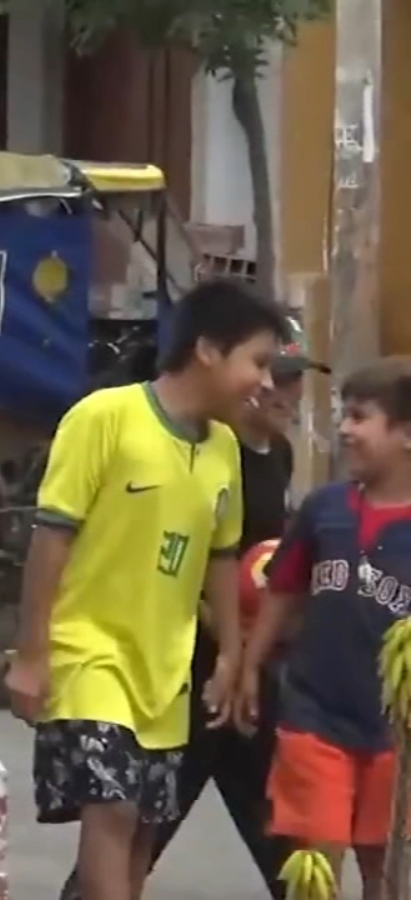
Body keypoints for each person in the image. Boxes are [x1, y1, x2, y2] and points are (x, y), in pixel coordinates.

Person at [5, 277, 289, 900]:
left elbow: (221, 559)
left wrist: (235, 658)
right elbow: (51, 539)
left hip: (166, 673)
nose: (266, 383)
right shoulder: (104, 418)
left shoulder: (223, 450)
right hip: (89, 654)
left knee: (142, 829)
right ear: (209, 350)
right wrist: (31, 655)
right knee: (113, 811)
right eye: (259, 363)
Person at [54, 334, 324, 900]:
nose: (289, 392)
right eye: (276, 374)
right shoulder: (206, 449)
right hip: (191, 662)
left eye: (296, 379)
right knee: (135, 818)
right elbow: (197, 562)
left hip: (248, 663)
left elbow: (259, 566)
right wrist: (225, 642)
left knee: (277, 819)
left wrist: (256, 647)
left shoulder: (276, 455)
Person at [238, 356, 411, 900]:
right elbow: (284, 592)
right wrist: (248, 667)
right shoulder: (324, 509)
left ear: (406, 434)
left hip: (394, 734)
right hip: (314, 716)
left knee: (384, 870)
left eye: (359, 417)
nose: (344, 430)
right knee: (315, 862)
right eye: (343, 415)